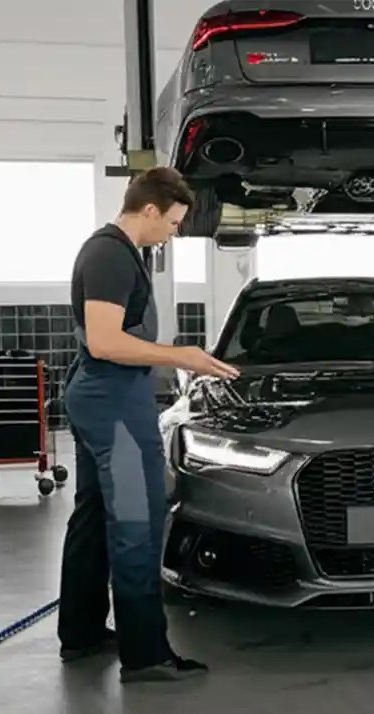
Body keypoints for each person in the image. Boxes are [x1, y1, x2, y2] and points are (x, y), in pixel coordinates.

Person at [57, 167, 240, 682]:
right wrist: (182, 356)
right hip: (113, 401)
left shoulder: (116, 252)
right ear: (152, 210)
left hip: (103, 395)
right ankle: (145, 654)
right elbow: (105, 341)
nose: (173, 233)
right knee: (138, 519)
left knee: (94, 515)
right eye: (174, 223)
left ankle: (82, 633)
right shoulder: (111, 255)